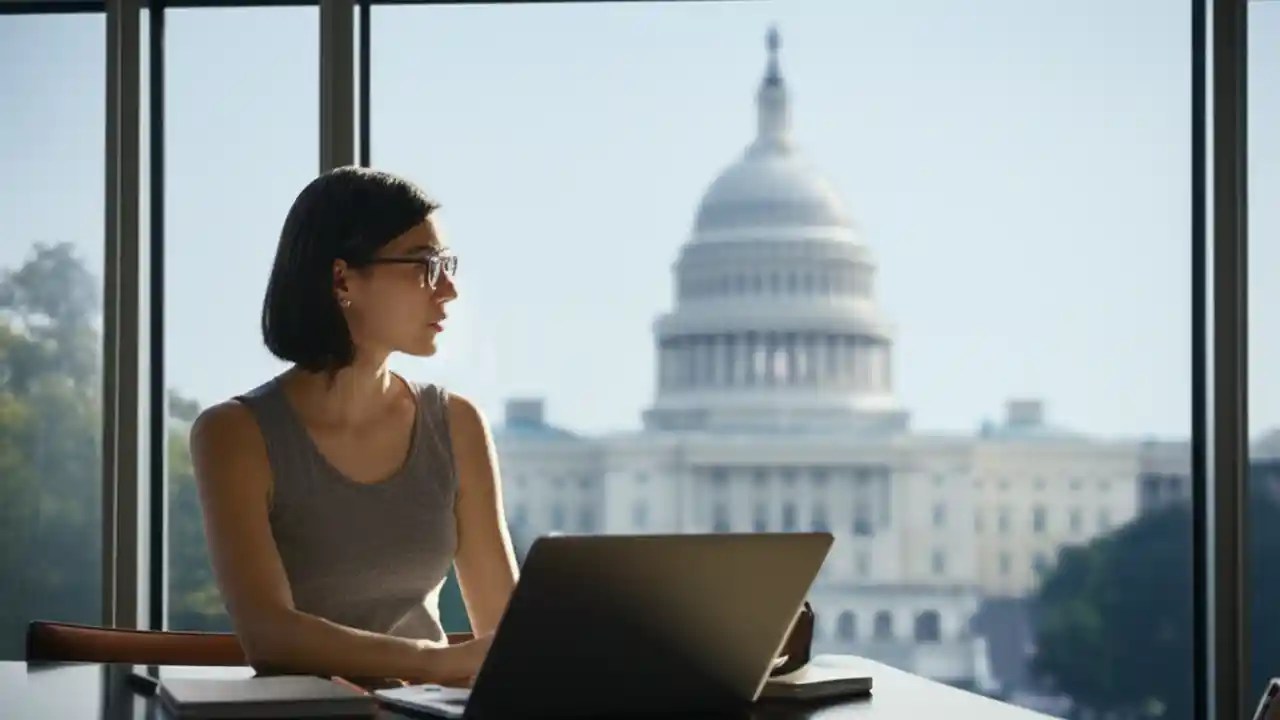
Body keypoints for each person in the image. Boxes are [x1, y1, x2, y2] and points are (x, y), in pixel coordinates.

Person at [190, 166, 517, 686]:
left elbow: (509, 636)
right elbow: (268, 636)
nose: (449, 289)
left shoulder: (457, 424)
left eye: (447, 265)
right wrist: (431, 663)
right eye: (425, 265)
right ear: (342, 279)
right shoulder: (232, 435)